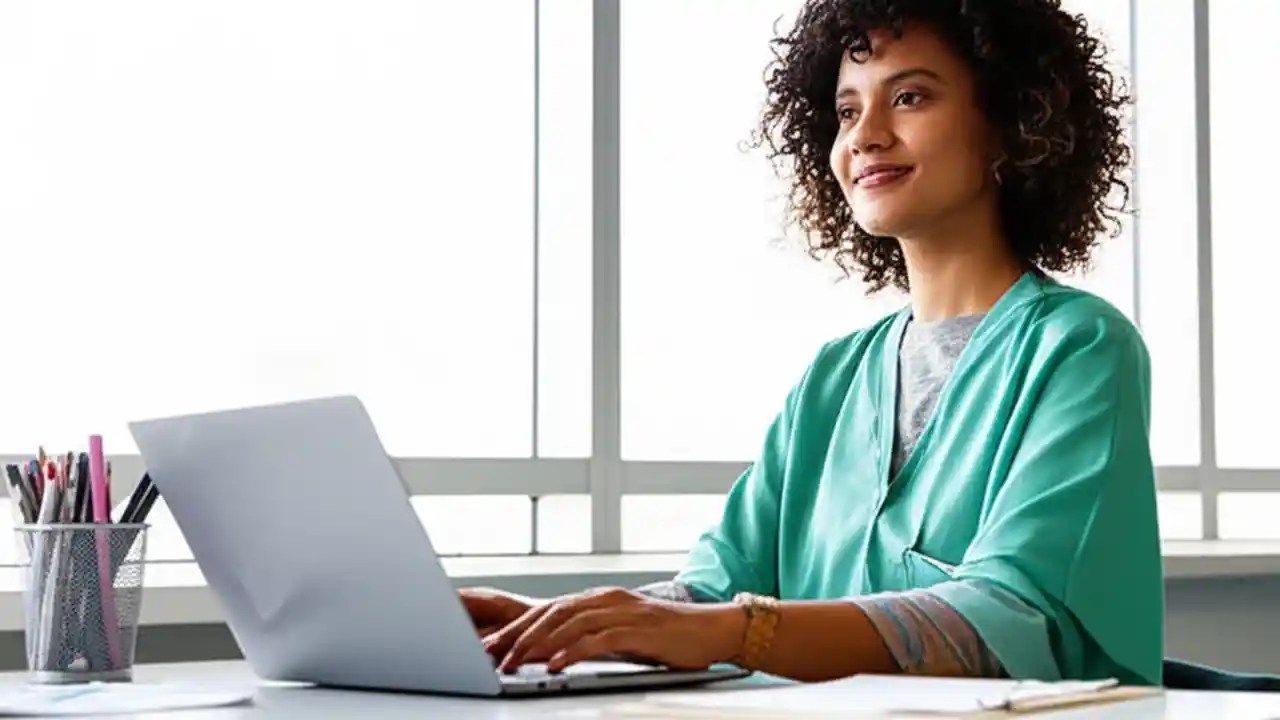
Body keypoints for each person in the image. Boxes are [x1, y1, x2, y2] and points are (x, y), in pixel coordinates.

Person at [462, 0, 1162, 685]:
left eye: (910, 97)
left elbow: (1009, 615)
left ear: (1012, 123)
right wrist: (558, 623)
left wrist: (741, 630)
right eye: (848, 109)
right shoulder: (834, 377)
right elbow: (718, 587)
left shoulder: (1081, 349)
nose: (866, 135)